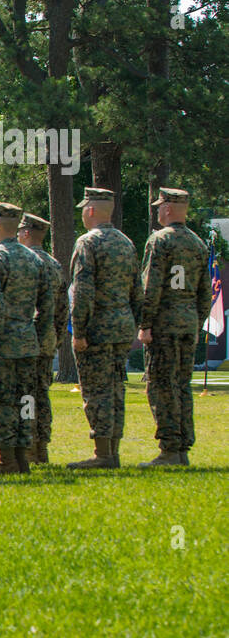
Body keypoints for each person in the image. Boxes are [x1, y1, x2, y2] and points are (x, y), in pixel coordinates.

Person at [66, 188, 143, 470]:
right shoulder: (126, 243)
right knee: (115, 390)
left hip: (97, 329)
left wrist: (80, 330)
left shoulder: (87, 243)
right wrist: (137, 322)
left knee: (96, 391)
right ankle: (113, 450)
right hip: (122, 328)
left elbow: (83, 291)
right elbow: (137, 290)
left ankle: (102, 453)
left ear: (90, 211)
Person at [0, 202, 53, 475]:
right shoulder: (34, 259)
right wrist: (40, 337)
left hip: (2, 344)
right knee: (24, 401)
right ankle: (22, 456)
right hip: (28, 343)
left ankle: (7, 459)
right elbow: (47, 304)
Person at [138, 188, 212, 467]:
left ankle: (169, 448)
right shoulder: (197, 243)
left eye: (160, 206)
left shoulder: (159, 241)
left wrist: (145, 323)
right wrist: (197, 322)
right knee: (182, 386)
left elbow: (151, 286)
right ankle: (182, 446)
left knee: (160, 385)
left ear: (169, 208)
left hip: (163, 326)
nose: (157, 210)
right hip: (187, 324)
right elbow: (205, 292)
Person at [17, 212, 69, 463]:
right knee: (41, 395)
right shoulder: (54, 264)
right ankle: (42, 446)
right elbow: (62, 308)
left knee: (25, 395)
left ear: (26, 233)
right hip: (47, 340)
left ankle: (28, 445)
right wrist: (56, 337)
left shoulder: (22, 261)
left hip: (25, 340)